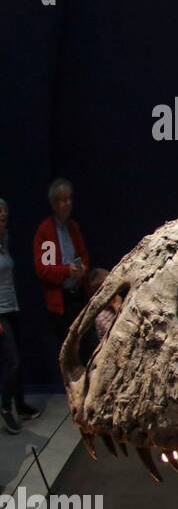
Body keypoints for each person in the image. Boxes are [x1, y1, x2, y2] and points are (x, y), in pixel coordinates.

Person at [33, 178, 90, 361]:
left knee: (84, 346)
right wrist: (67, 271)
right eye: (62, 200)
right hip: (61, 301)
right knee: (67, 351)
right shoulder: (46, 231)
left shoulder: (73, 227)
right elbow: (45, 270)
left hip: (78, 295)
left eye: (69, 199)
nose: (67, 204)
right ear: (53, 203)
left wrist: (83, 268)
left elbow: (83, 254)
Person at [0, 198, 42, 433]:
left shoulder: (4, 242)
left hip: (11, 306)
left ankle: (19, 403)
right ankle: (5, 407)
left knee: (18, 359)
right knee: (11, 360)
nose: (2, 218)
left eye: (5, 214)